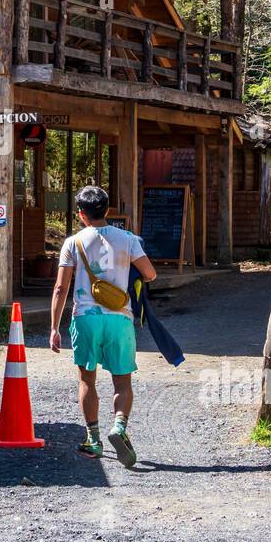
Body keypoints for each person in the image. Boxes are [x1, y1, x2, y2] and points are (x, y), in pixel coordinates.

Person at [49, 185, 156, 467]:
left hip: (85, 318)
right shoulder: (129, 239)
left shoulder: (73, 242)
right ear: (107, 211)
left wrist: (54, 327)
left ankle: (93, 440)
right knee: (122, 380)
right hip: (119, 318)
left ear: (81, 214)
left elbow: (61, 288)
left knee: (87, 379)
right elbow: (150, 274)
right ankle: (119, 427)